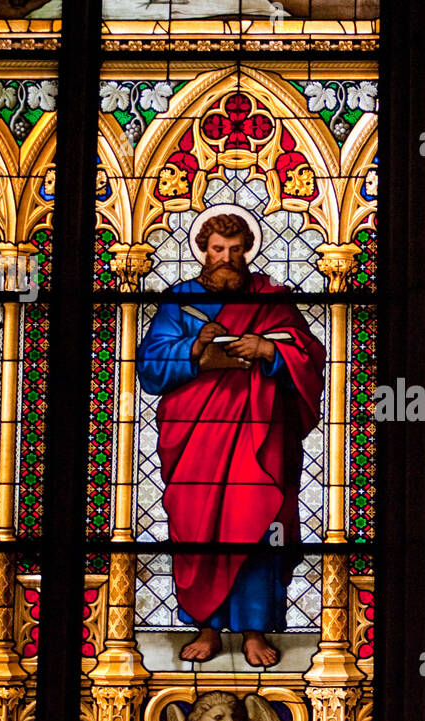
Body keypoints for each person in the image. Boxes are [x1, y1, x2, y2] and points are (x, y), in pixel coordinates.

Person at [136, 206, 325, 666]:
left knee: (258, 521)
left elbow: (309, 354)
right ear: (203, 249)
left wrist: (270, 349)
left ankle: (255, 629)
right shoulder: (180, 301)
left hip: (261, 434)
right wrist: (196, 347)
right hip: (195, 434)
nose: (227, 259)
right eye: (218, 250)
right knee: (198, 525)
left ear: (247, 252)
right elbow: (150, 364)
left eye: (236, 251)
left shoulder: (272, 298)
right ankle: (207, 626)